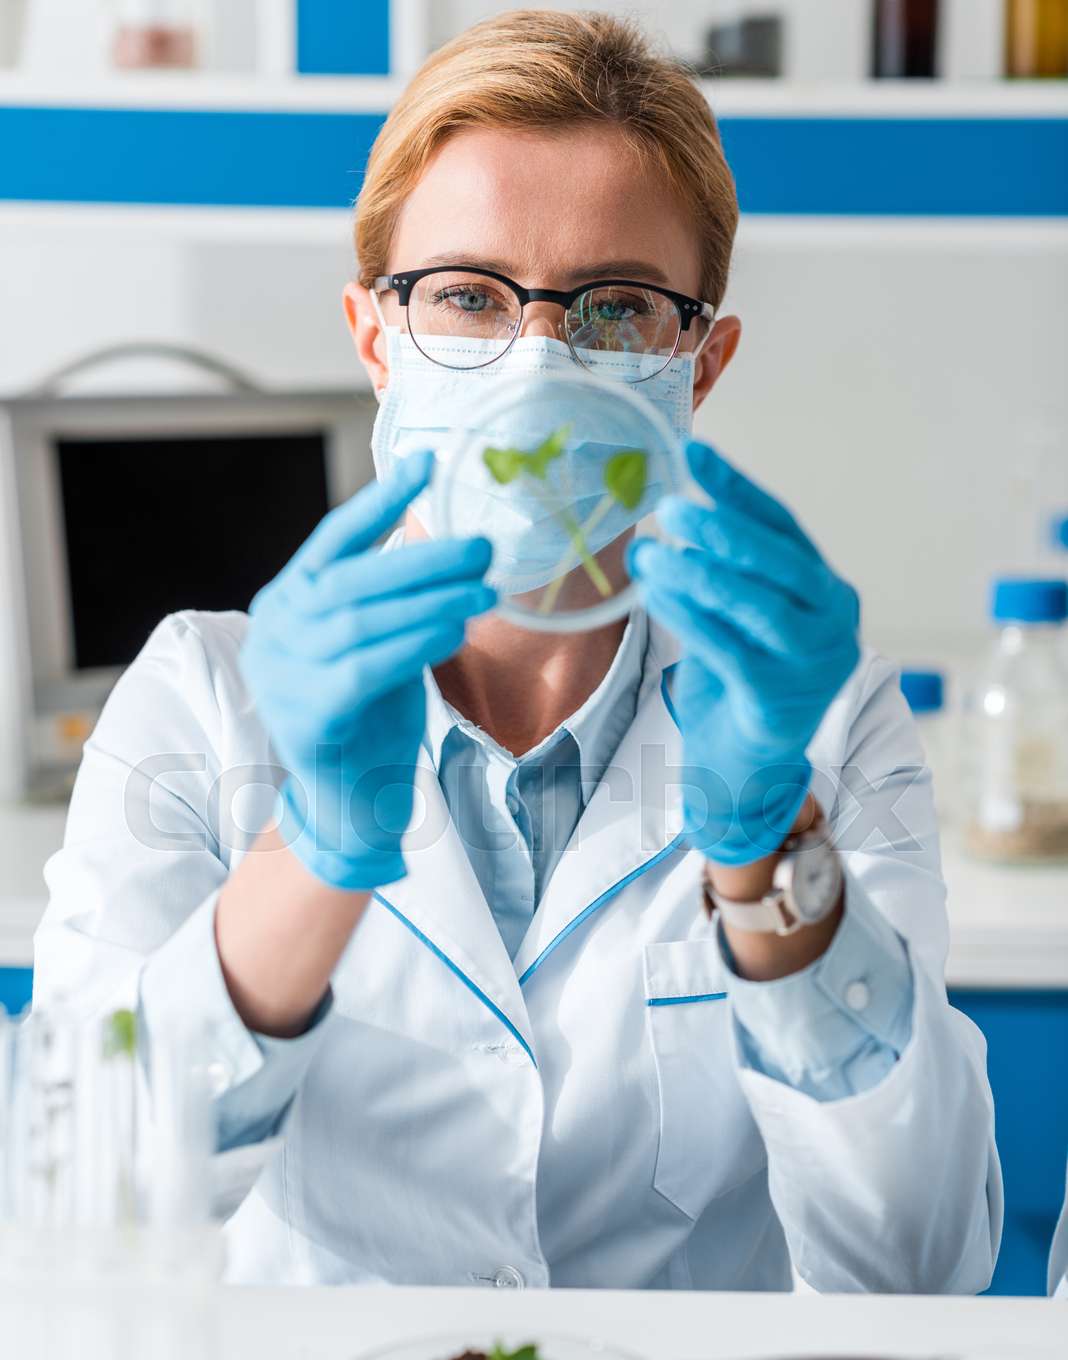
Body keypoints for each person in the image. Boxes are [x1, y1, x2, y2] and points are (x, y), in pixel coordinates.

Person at [34, 11, 1001, 1291]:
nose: (537, 357)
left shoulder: (814, 722)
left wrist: (769, 846)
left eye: (614, 308)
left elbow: (920, 1263)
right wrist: (315, 843)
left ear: (698, 365)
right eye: (471, 295)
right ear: (377, 338)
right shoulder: (202, 699)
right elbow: (74, 1227)